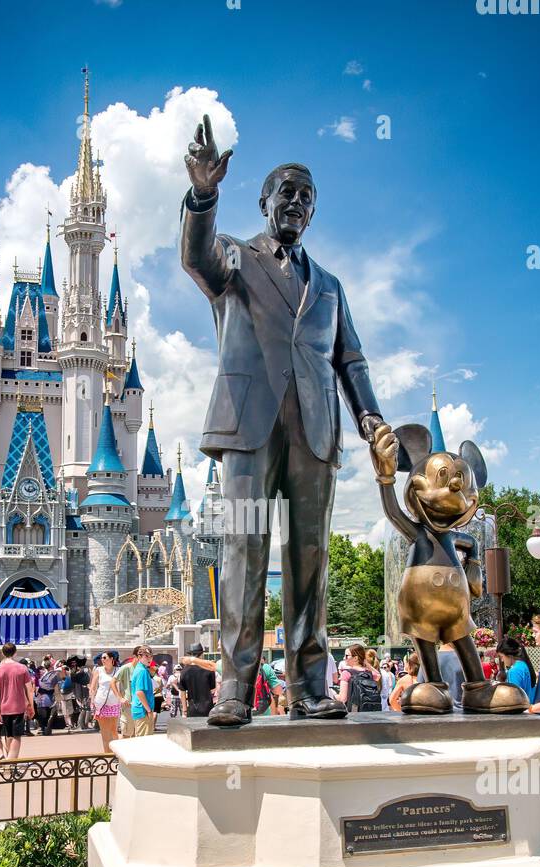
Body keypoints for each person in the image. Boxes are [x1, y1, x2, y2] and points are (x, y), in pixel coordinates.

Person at [181, 117, 386, 726]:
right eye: (286, 191)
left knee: (310, 558)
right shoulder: (234, 260)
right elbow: (194, 256)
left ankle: (309, 688)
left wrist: (371, 419)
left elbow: (350, 358)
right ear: (265, 201)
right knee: (243, 550)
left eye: (307, 196)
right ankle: (235, 691)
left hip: (314, 437)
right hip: (248, 432)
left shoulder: (329, 287)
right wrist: (201, 195)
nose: (296, 201)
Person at [0, 643, 35, 761]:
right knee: (17, 736)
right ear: (15, 652)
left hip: (3, 707)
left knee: (8, 735)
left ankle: (10, 761)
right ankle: (11, 761)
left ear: (3, 653)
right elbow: (29, 690)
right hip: (18, 706)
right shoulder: (22, 668)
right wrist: (31, 706)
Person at [90, 651, 126, 753]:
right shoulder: (98, 670)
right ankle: (107, 754)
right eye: (102, 658)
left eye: (105, 658)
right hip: (101, 704)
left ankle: (116, 752)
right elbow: (93, 687)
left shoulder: (119, 670)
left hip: (115, 703)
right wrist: (92, 700)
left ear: (112, 659)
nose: (102, 660)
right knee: (105, 732)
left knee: (113, 730)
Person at [337, 643, 383, 713]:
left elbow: (342, 699)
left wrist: (333, 694)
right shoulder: (369, 673)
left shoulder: (346, 673)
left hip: (353, 714)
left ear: (355, 658)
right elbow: (378, 675)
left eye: (347, 656)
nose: (344, 658)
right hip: (369, 713)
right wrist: (367, 664)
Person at [178, 643, 217, 717]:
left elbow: (182, 692)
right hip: (208, 708)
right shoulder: (209, 669)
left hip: (192, 708)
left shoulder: (184, 671)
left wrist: (184, 710)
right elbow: (213, 689)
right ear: (201, 654)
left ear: (190, 655)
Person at [129, 645, 157, 737]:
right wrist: (149, 710)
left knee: (141, 740)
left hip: (140, 710)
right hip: (143, 711)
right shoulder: (142, 671)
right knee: (144, 742)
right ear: (139, 657)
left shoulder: (140, 668)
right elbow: (139, 692)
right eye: (146, 656)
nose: (149, 659)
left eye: (151, 656)